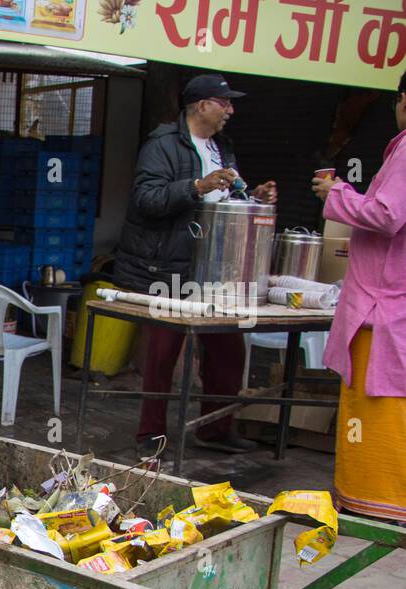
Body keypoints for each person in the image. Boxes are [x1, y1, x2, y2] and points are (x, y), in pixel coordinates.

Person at [113, 74, 278, 455]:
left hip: (216, 270)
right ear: (202, 105)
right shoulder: (162, 145)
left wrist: (254, 196)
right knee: (162, 354)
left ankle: (215, 430)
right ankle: (150, 436)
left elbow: (228, 198)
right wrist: (197, 186)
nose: (231, 110)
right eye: (225, 103)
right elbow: (147, 199)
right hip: (167, 267)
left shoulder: (223, 147)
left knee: (228, 351)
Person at [312, 72, 406, 523]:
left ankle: (376, 500)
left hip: (383, 304)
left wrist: (339, 193)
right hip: (392, 301)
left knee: (375, 399)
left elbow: (387, 215)